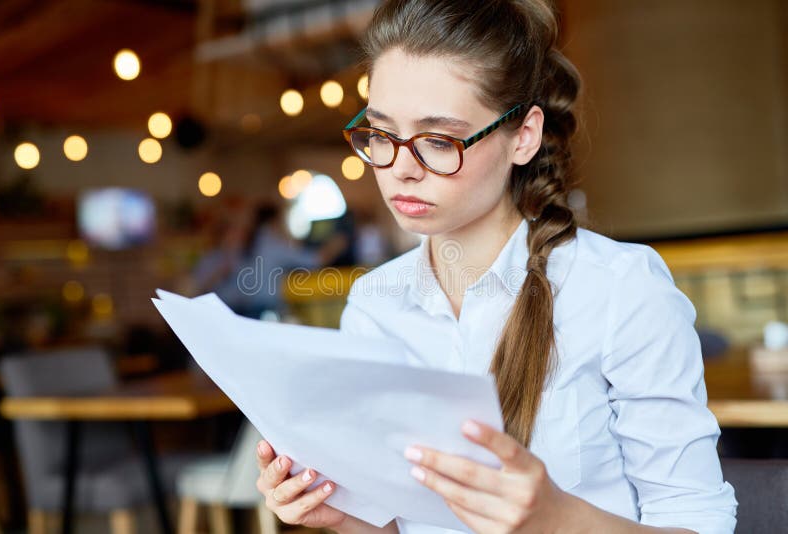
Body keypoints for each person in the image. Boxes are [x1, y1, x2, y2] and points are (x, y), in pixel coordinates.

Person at [254, 1, 738, 533]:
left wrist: (557, 519)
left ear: (523, 136)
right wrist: (345, 517)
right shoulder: (374, 305)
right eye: (382, 135)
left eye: (439, 140)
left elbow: (699, 522)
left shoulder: (618, 289)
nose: (401, 170)